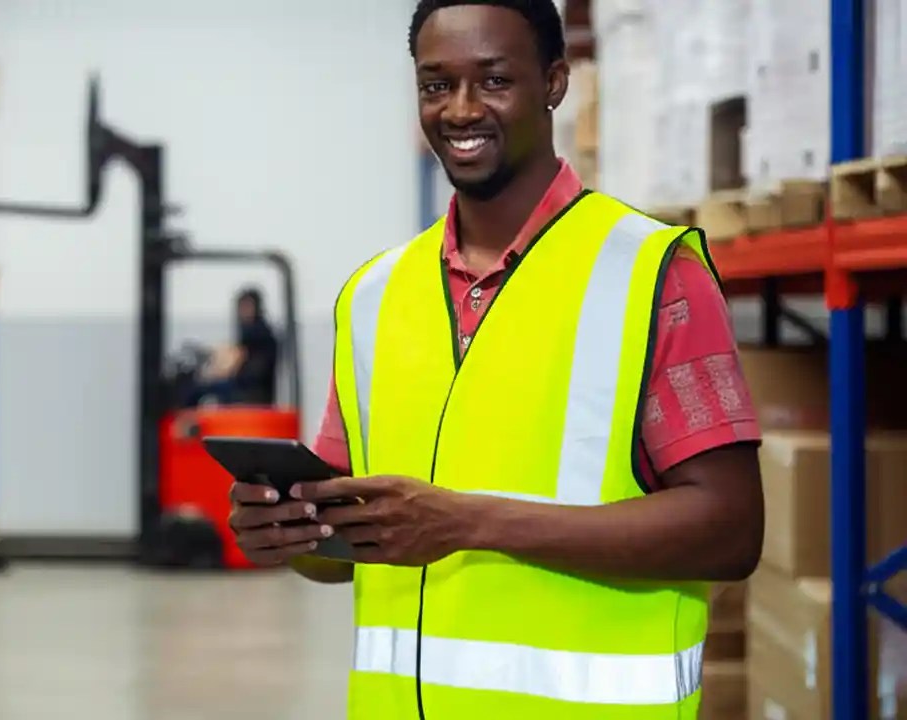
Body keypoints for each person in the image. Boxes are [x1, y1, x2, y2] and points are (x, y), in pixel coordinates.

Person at [227, 1, 765, 718]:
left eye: (493, 81)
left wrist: (468, 523)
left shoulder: (652, 273)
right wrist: (291, 533)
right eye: (435, 85)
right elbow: (351, 540)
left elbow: (731, 530)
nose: (460, 109)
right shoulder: (374, 295)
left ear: (554, 83)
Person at [185, 287, 279, 406]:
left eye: (247, 307)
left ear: (257, 308)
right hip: (248, 388)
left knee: (196, 390)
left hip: (249, 392)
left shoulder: (257, 332)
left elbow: (236, 360)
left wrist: (211, 374)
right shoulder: (258, 331)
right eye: (241, 307)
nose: (243, 311)